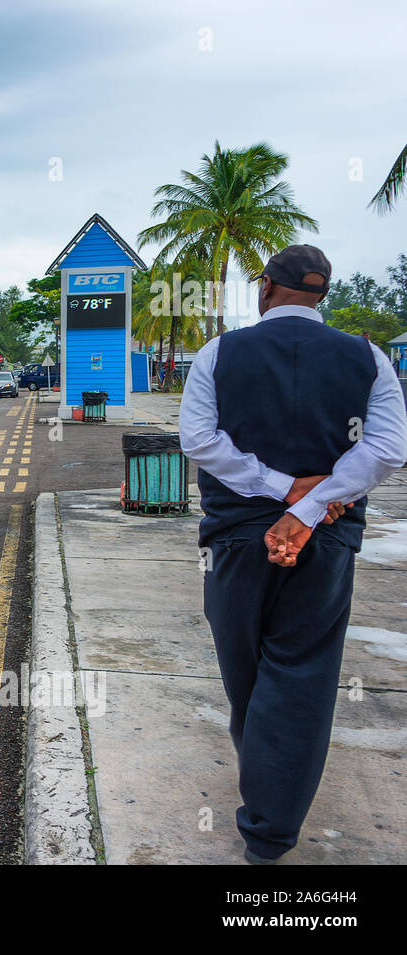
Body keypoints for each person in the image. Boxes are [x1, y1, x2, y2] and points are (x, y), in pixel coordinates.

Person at [180, 244, 407, 865]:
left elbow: (198, 439)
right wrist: (313, 501)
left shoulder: (220, 352)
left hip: (234, 539)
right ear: (322, 295)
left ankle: (267, 810)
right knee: (301, 677)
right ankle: (269, 829)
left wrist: (286, 494)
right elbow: (387, 451)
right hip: (328, 541)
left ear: (265, 289)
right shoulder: (368, 358)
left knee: (246, 674)